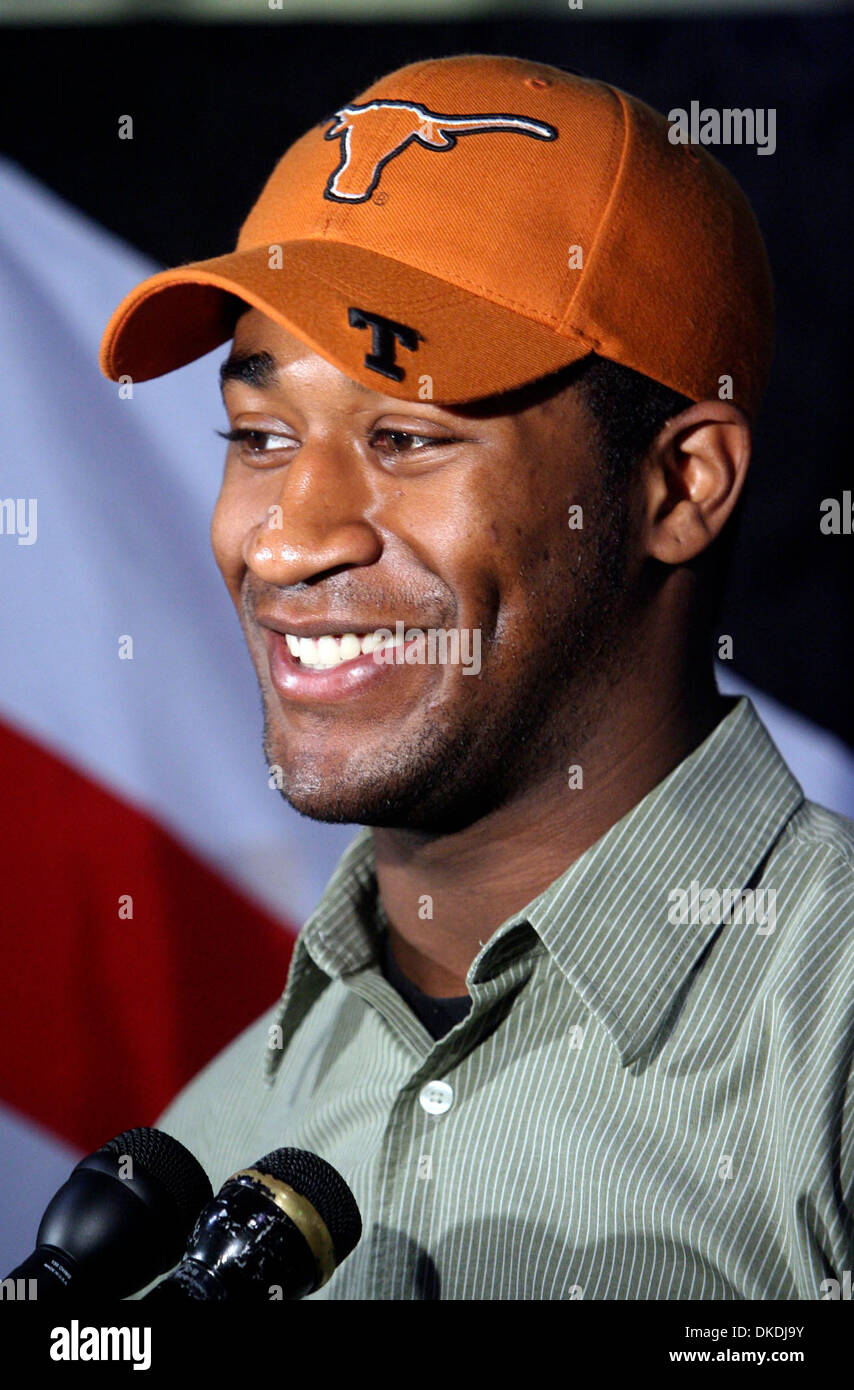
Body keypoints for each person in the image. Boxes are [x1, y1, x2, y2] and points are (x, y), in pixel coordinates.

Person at [100, 54, 853, 1300]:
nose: (287, 536)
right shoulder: (209, 1141)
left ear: (679, 487)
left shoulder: (823, 1044)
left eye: (404, 436)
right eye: (258, 438)